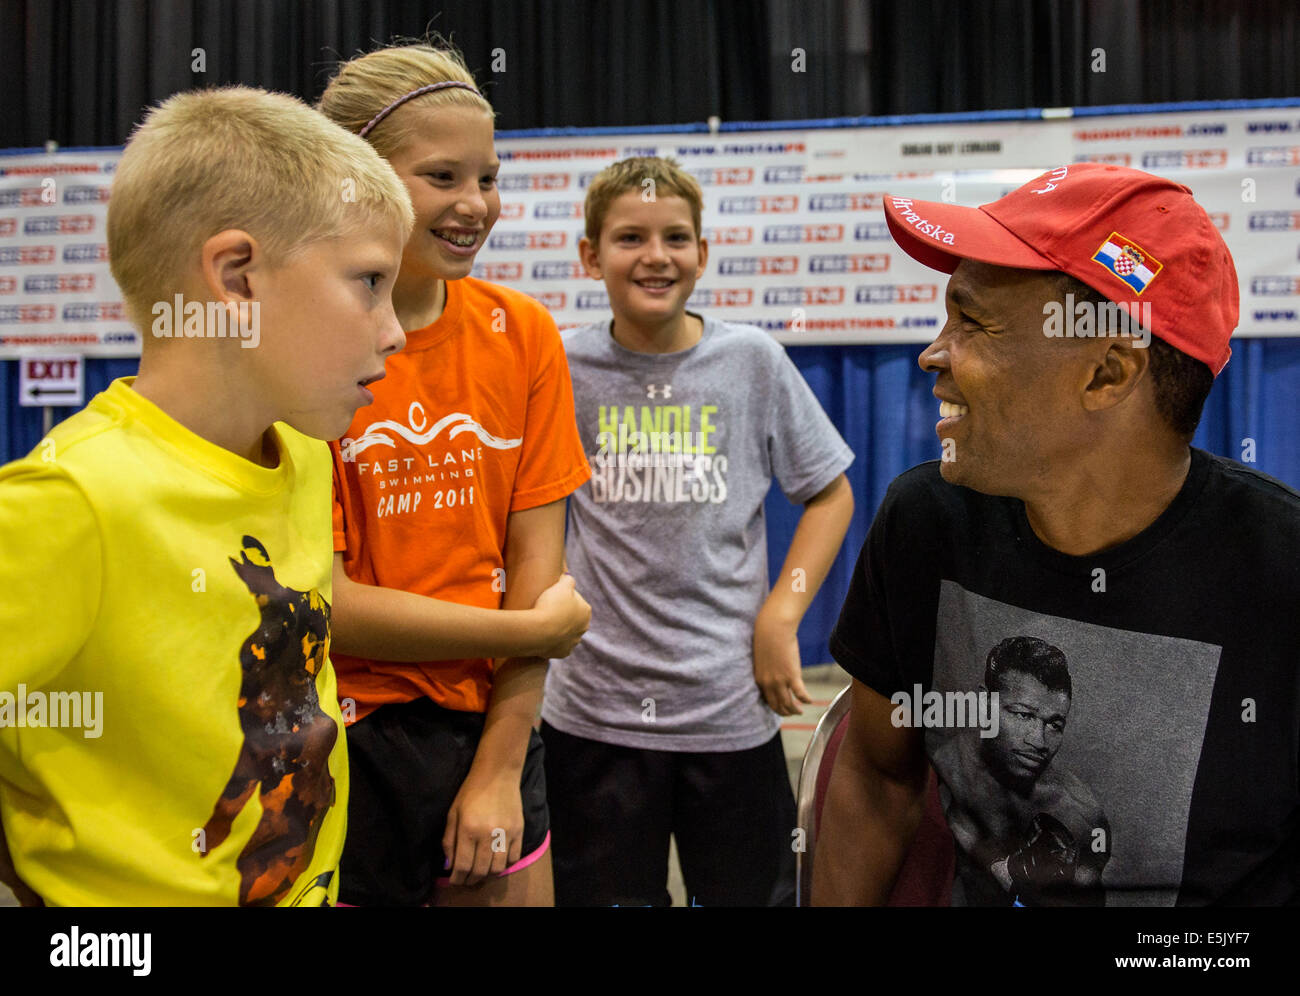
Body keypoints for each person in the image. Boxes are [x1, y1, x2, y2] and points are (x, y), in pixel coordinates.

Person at [814, 163, 1300, 906]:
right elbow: (878, 777)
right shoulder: (925, 521)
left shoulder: (1279, 569)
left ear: (1106, 374)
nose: (934, 355)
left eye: (972, 322)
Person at [0, 86, 414, 906]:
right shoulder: (73, 499)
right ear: (235, 278)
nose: (395, 329)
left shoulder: (302, 452)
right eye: (368, 281)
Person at [317, 41, 591, 907]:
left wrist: (501, 767)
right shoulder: (305, 355)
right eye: (442, 177)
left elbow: (535, 564)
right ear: (358, 179)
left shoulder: (524, 334)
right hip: (346, 736)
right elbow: (331, 602)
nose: (477, 205)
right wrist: (531, 635)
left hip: (494, 725)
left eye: (489, 177)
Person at [541, 156, 856, 906]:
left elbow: (831, 495)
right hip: (593, 716)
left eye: (676, 237)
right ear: (590, 256)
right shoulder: (559, 365)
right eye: (629, 238)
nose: (656, 256)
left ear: (703, 253)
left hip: (728, 711)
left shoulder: (751, 362)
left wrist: (783, 612)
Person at [931, 636, 1110, 906]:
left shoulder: (1080, 816)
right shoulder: (943, 766)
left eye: (1054, 724)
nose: (1037, 741)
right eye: (1023, 715)